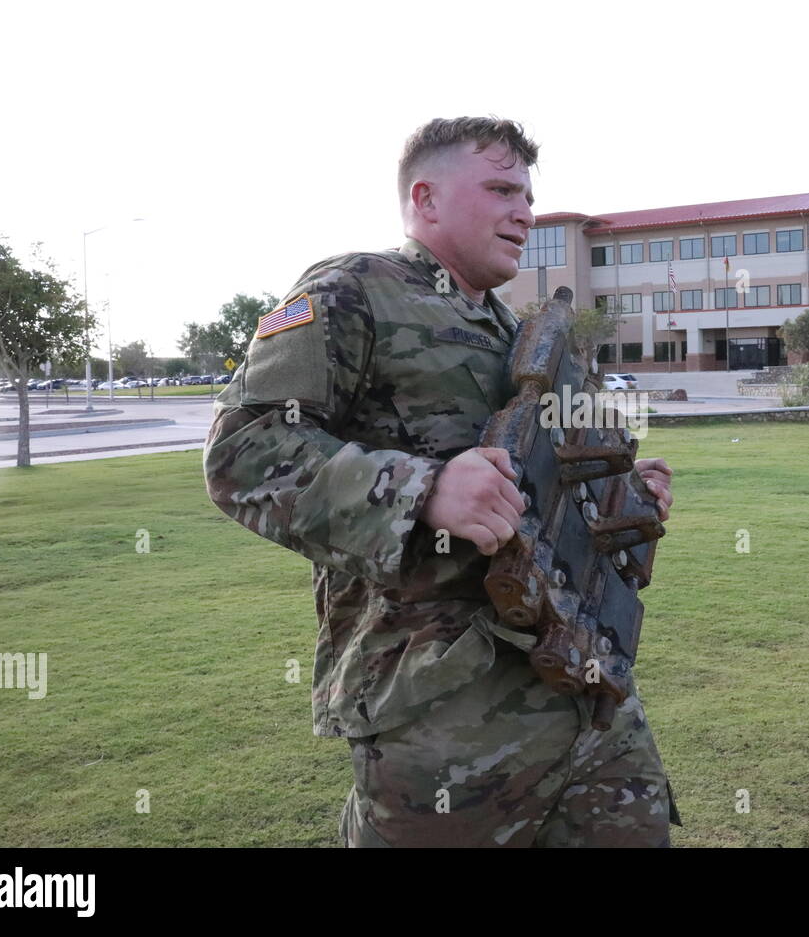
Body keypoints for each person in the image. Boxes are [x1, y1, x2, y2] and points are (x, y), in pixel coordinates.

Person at [202, 117, 681, 847]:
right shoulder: (353, 291)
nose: (523, 211)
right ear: (425, 199)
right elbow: (242, 451)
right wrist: (422, 489)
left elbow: (544, 493)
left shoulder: (517, 334)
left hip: (584, 694)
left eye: (526, 193)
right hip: (444, 715)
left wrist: (621, 502)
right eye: (499, 189)